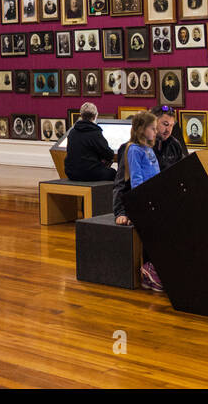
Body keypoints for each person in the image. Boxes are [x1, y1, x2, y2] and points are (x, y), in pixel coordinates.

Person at [123, 112, 163, 291]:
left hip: (154, 197)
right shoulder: (133, 150)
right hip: (144, 200)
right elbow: (136, 180)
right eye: (153, 129)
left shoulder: (149, 149)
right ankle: (150, 267)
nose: (156, 132)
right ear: (141, 129)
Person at [63, 103, 116, 182]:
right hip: (89, 173)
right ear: (95, 116)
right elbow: (108, 154)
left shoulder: (73, 132)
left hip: (71, 172)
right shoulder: (94, 133)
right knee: (113, 173)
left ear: (81, 115)